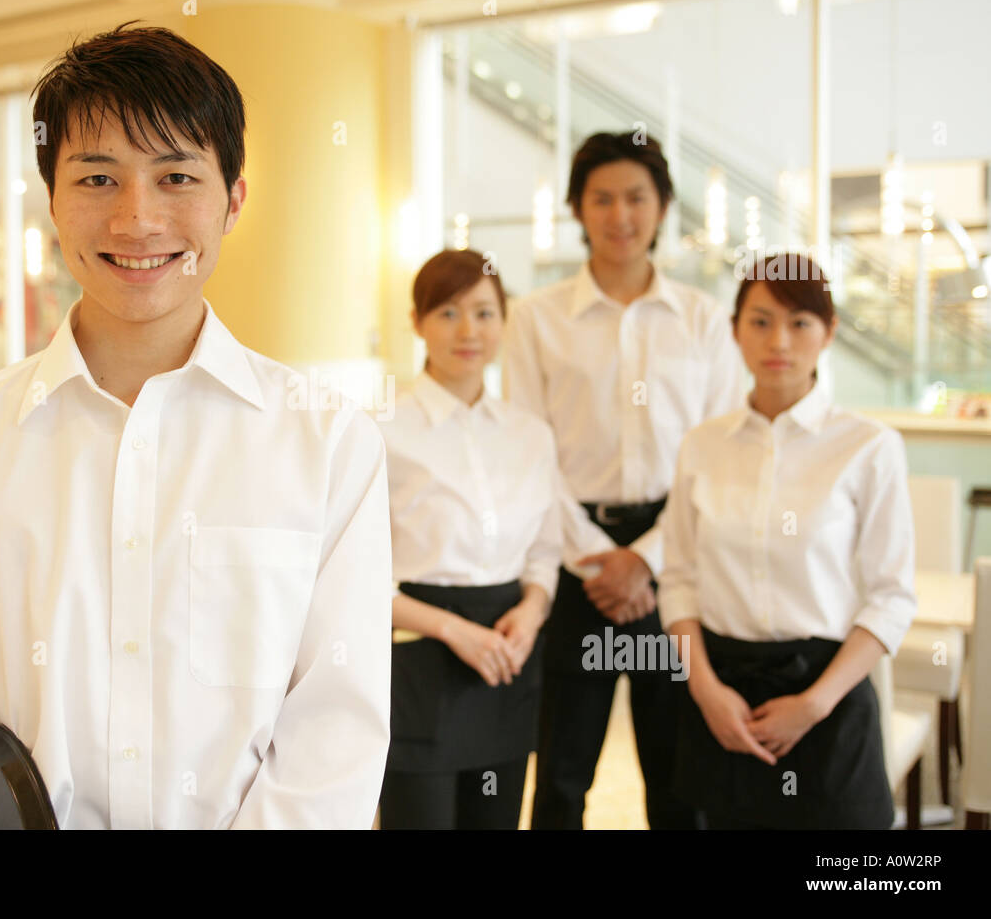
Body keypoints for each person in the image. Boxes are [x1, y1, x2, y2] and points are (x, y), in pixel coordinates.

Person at [0, 22, 393, 829]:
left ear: (233, 199)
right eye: (97, 179)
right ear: (52, 201)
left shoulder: (329, 445)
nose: (137, 221)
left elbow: (335, 735)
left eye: (176, 176)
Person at [502, 131, 747, 829]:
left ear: (663, 206)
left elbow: (717, 458)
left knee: (678, 783)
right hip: (577, 566)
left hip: (676, 568)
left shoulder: (704, 320)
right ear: (578, 209)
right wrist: (597, 560)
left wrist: (646, 560)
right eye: (602, 199)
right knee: (560, 777)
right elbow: (529, 453)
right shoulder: (536, 318)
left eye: (636, 197)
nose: (620, 215)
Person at [658, 254, 915, 829]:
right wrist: (704, 690)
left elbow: (892, 595)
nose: (779, 340)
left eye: (800, 322)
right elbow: (678, 581)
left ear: (829, 333)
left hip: (828, 696)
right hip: (725, 700)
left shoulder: (868, 447)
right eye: (760, 320)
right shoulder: (701, 445)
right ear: (734, 331)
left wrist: (815, 704)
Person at [379, 249, 610, 829]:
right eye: (448, 313)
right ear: (417, 322)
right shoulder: (379, 431)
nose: (468, 331)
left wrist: (532, 613)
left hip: (507, 655)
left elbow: (545, 550)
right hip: (416, 654)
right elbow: (352, 578)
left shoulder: (530, 435)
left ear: (505, 322)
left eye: (484, 313)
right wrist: (454, 631)